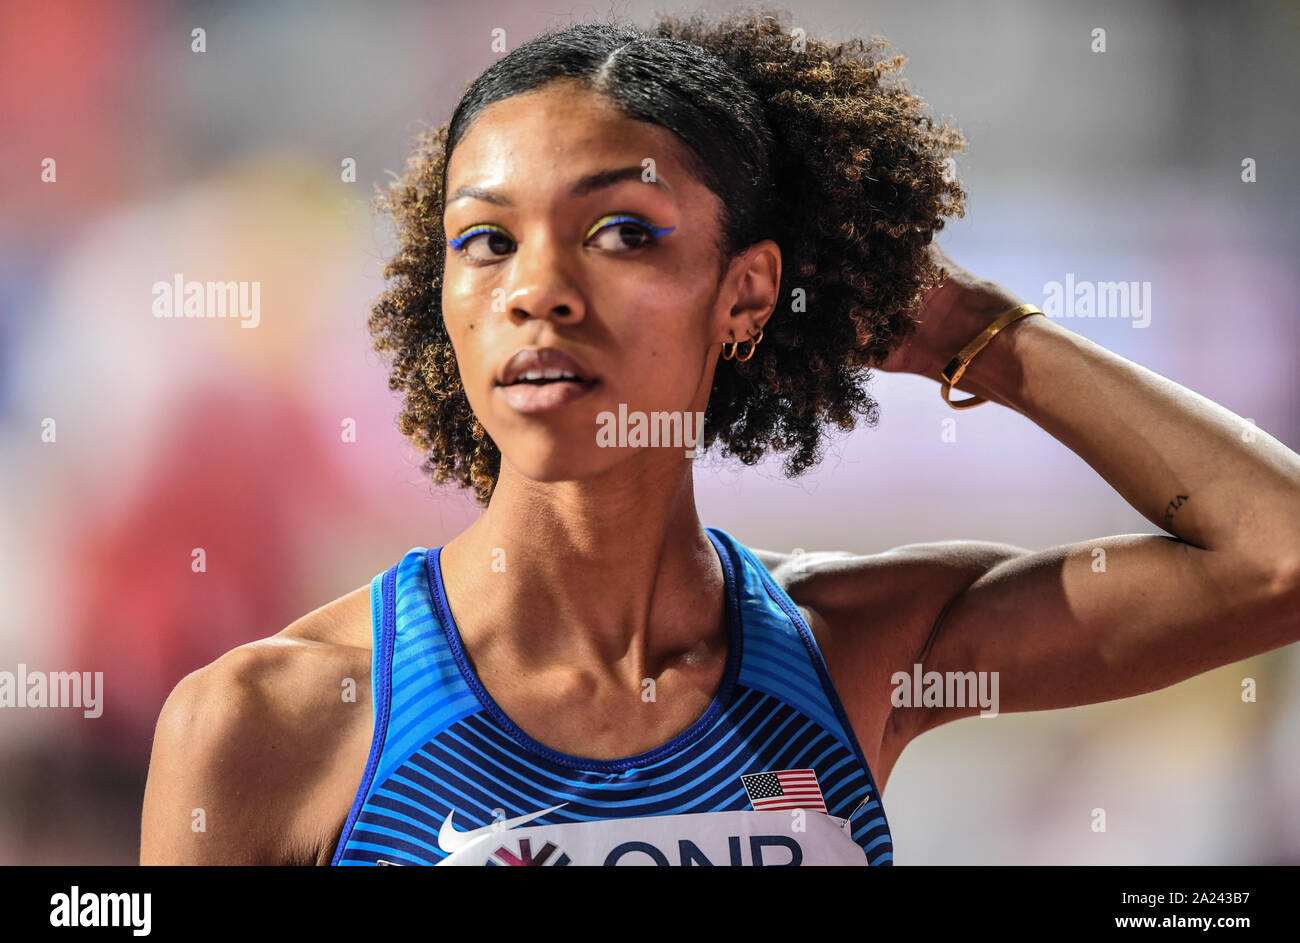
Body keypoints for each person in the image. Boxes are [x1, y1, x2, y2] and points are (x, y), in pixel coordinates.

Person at [140, 11, 1300, 866]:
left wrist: (965, 329)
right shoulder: (273, 722)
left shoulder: (855, 654)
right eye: (485, 240)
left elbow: (1275, 557)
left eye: (622, 230)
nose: (536, 287)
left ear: (746, 293)